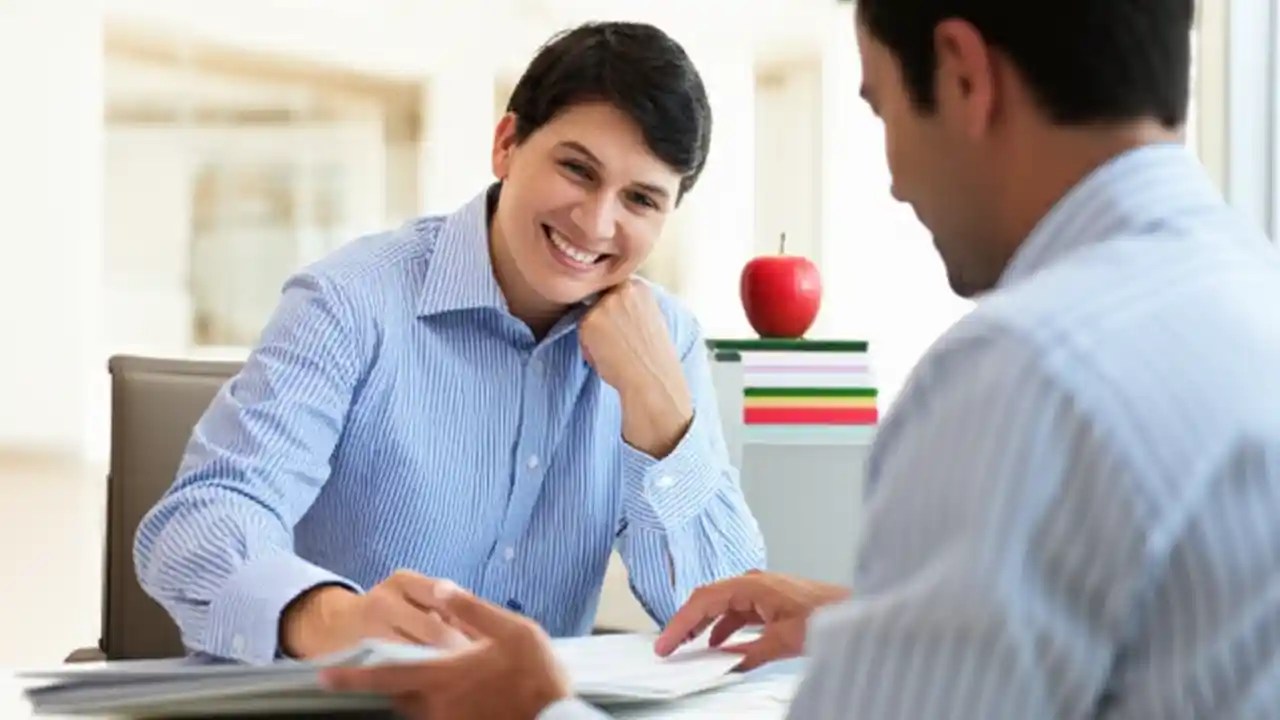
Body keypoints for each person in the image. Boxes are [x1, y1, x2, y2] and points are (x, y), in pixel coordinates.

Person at [320, 0, 1280, 717]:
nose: (897, 180)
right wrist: (865, 617)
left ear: (960, 73)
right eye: (575, 169)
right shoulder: (1253, 299)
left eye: (879, 112)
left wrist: (539, 707)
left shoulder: (1021, 369)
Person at [133, 21, 765, 665]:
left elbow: (731, 622)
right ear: (507, 144)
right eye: (577, 169)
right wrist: (332, 617)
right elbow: (202, 518)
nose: (598, 222)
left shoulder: (669, 342)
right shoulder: (351, 301)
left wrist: (658, 413)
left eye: (640, 199)